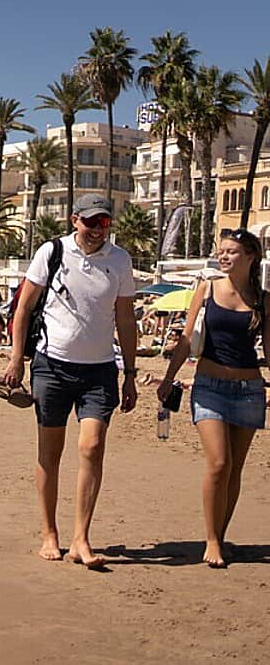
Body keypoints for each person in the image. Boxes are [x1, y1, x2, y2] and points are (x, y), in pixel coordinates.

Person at [2, 194, 138, 568]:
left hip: (100, 370)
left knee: (92, 447)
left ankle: (81, 538)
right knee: (51, 452)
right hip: (52, 366)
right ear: (75, 220)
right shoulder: (52, 252)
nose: (97, 230)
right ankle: (50, 533)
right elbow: (24, 307)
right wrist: (17, 359)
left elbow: (126, 320)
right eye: (91, 222)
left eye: (104, 223)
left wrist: (130, 373)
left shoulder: (120, 260)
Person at [157, 229, 270, 567]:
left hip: (249, 389)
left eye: (232, 251)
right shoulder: (206, 289)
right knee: (219, 463)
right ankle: (211, 540)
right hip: (208, 386)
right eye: (221, 251)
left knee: (234, 469)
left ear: (250, 256)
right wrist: (168, 377)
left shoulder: (263, 299)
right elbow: (187, 338)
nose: (223, 257)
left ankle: (220, 535)